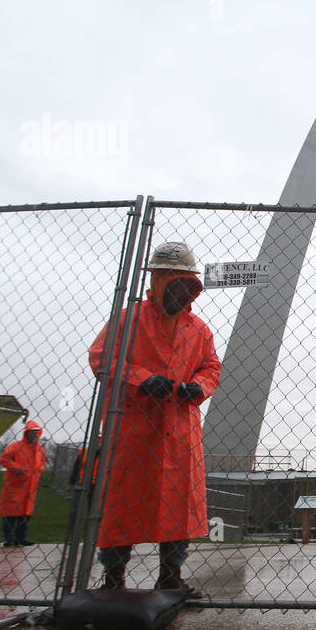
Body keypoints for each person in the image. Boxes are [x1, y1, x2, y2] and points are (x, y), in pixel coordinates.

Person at [87, 241, 221, 596]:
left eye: (185, 285)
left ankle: (170, 575)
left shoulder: (199, 329)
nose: (179, 292)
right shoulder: (128, 319)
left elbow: (212, 366)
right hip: (132, 427)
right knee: (121, 504)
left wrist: (199, 386)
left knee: (178, 505)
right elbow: (101, 357)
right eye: (172, 283)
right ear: (157, 281)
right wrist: (142, 379)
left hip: (179, 428)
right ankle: (114, 577)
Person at [0, 421, 47, 547]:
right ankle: (9, 538)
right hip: (14, 485)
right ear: (27, 433)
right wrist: (18, 468)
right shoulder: (15, 446)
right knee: (10, 513)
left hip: (30, 486)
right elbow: (4, 460)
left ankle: (21, 537)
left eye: (37, 432)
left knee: (25, 513)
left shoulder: (39, 449)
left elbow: (42, 463)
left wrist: (40, 470)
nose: (35, 435)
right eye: (32, 432)